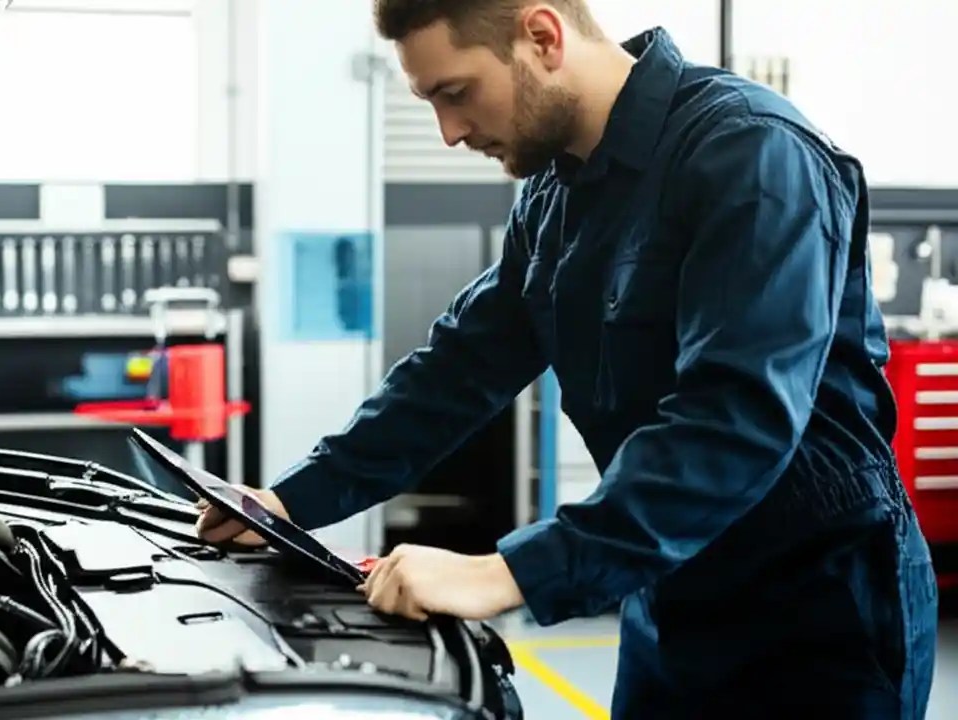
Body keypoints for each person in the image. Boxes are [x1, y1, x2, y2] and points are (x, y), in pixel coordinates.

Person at [195, 1, 938, 716]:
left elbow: (734, 425)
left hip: (819, 613)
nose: (449, 132)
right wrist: (291, 504)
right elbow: (454, 371)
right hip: (671, 591)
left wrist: (508, 572)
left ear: (542, 37)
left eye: (456, 93)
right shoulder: (555, 197)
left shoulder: (753, 154)